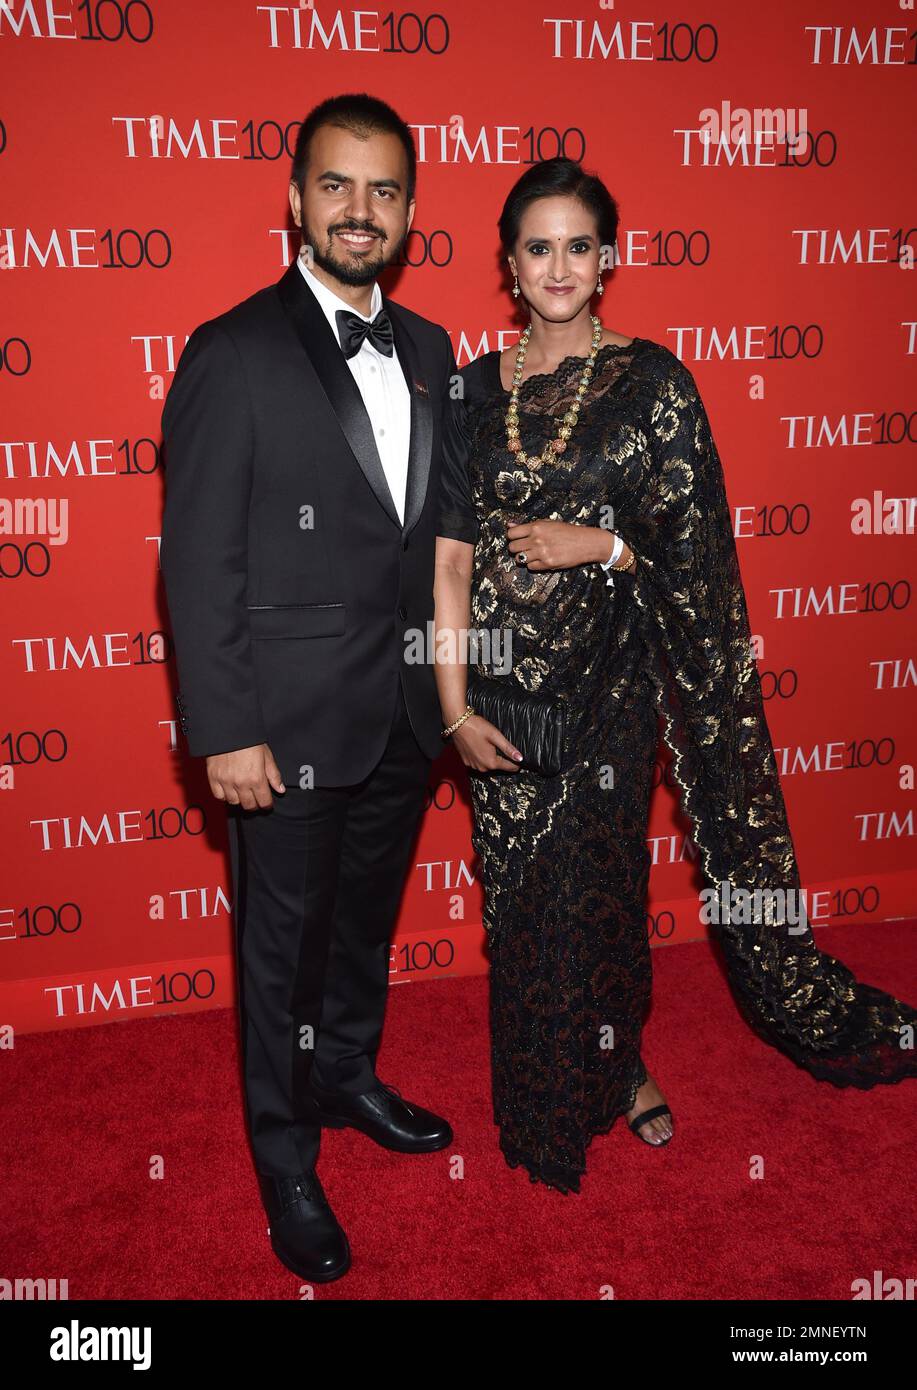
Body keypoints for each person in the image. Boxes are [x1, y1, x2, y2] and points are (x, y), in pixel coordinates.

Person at [433, 157, 917, 1196]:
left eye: (576, 245)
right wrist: (453, 704)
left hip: (609, 692)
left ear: (605, 260)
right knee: (519, 908)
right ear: (508, 265)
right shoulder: (470, 390)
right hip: (499, 691)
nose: (557, 266)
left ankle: (617, 1068)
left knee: (600, 896)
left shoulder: (654, 385)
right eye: (535, 246)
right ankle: (540, 1098)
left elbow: (695, 561)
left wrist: (598, 547)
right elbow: (446, 559)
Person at [160, 93, 474, 1281]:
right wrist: (226, 730)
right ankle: (283, 1154)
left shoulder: (438, 349)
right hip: (279, 728)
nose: (360, 209)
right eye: (336, 185)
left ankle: (346, 1078)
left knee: (358, 931)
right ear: (294, 199)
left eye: (384, 189)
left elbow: (438, 545)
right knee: (280, 953)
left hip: (399, 714)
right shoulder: (231, 350)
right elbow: (196, 561)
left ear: (408, 212)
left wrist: (451, 697)